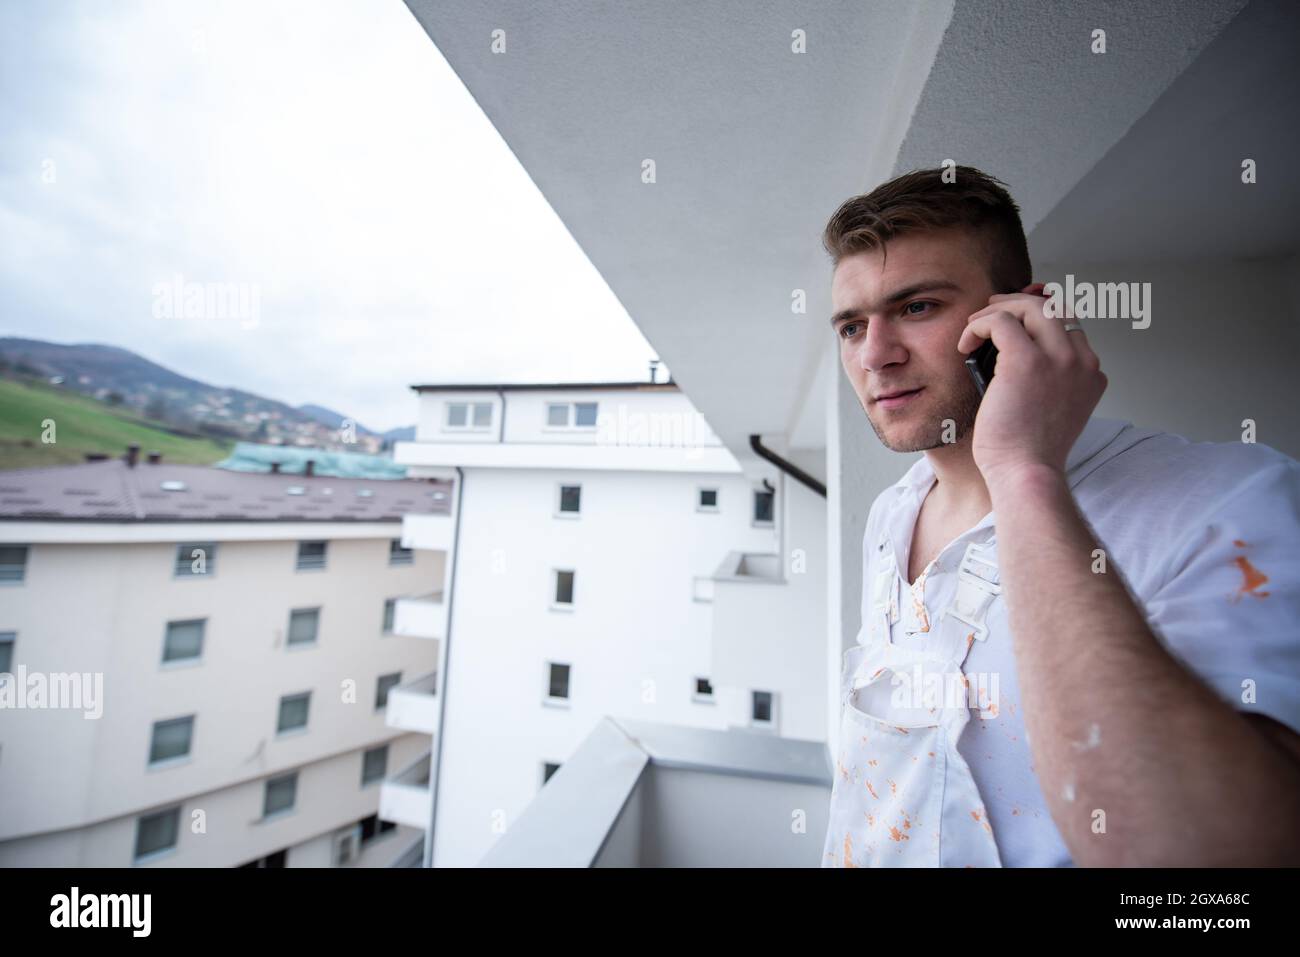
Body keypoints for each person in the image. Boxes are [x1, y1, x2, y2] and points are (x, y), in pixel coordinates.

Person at [819, 166, 1300, 867]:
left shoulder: (1227, 503)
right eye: (851, 326)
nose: (875, 355)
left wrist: (1023, 474)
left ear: (1019, 316)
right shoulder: (891, 514)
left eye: (917, 306)